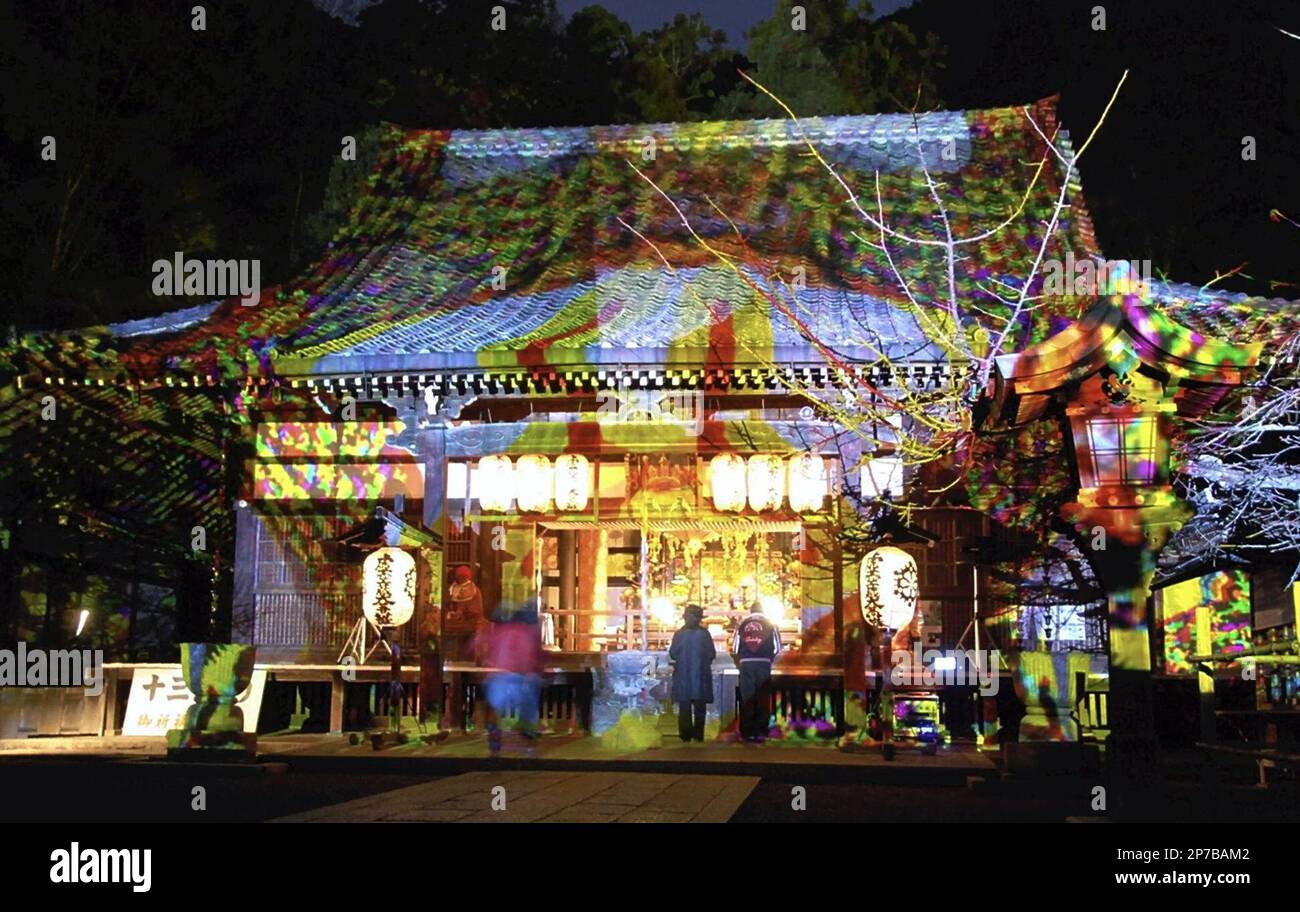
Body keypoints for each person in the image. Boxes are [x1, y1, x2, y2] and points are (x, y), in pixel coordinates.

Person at [474, 605, 543, 754]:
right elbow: (529, 658)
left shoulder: (498, 633)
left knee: (495, 708)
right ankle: (527, 735)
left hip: (498, 677)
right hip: (519, 677)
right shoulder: (527, 633)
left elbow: (479, 651)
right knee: (528, 703)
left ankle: (494, 736)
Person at [732, 601, 782, 742]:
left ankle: (747, 731)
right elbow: (778, 647)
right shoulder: (771, 625)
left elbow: (735, 648)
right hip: (763, 664)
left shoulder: (741, 625)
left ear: (751, 611)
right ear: (763, 611)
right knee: (762, 697)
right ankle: (761, 730)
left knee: (747, 697)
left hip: (746, 664)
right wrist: (768, 657)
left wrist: (742, 657)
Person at [669, 604, 715, 742]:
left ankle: (685, 735)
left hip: (683, 675)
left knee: (685, 706)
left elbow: (672, 653)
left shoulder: (679, 634)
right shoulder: (704, 634)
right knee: (700, 707)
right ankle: (698, 734)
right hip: (701, 674)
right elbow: (711, 654)